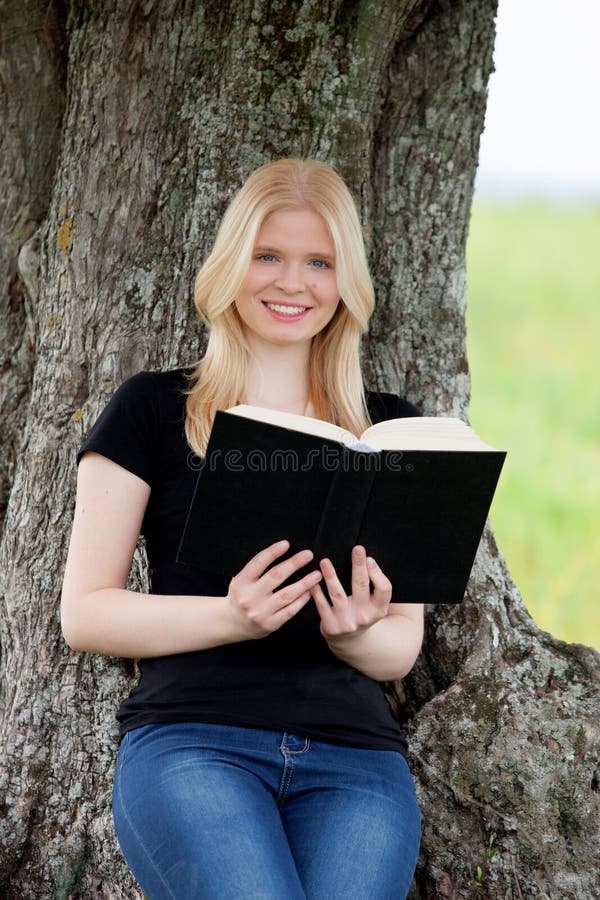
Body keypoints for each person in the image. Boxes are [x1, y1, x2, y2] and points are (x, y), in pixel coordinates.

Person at [61, 158, 424, 899]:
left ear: (345, 281)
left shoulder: (390, 430)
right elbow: (85, 612)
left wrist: (352, 632)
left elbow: (400, 646)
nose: (292, 283)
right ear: (232, 265)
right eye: (269, 256)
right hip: (195, 743)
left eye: (318, 262)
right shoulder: (153, 409)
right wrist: (231, 616)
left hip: (356, 759)